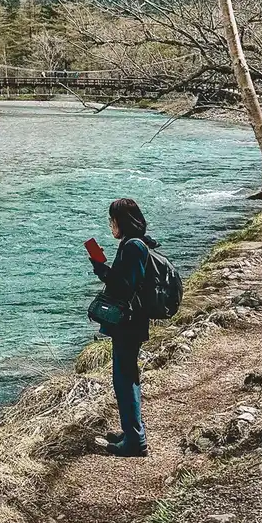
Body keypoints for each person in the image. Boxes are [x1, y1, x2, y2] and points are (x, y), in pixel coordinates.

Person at [89, 196, 157, 458]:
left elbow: (124, 287)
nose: (110, 225)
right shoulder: (139, 244)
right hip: (134, 321)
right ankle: (132, 433)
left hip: (129, 323)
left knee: (124, 380)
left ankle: (135, 443)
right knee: (127, 377)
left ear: (121, 221)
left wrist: (101, 270)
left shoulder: (132, 247)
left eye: (112, 220)